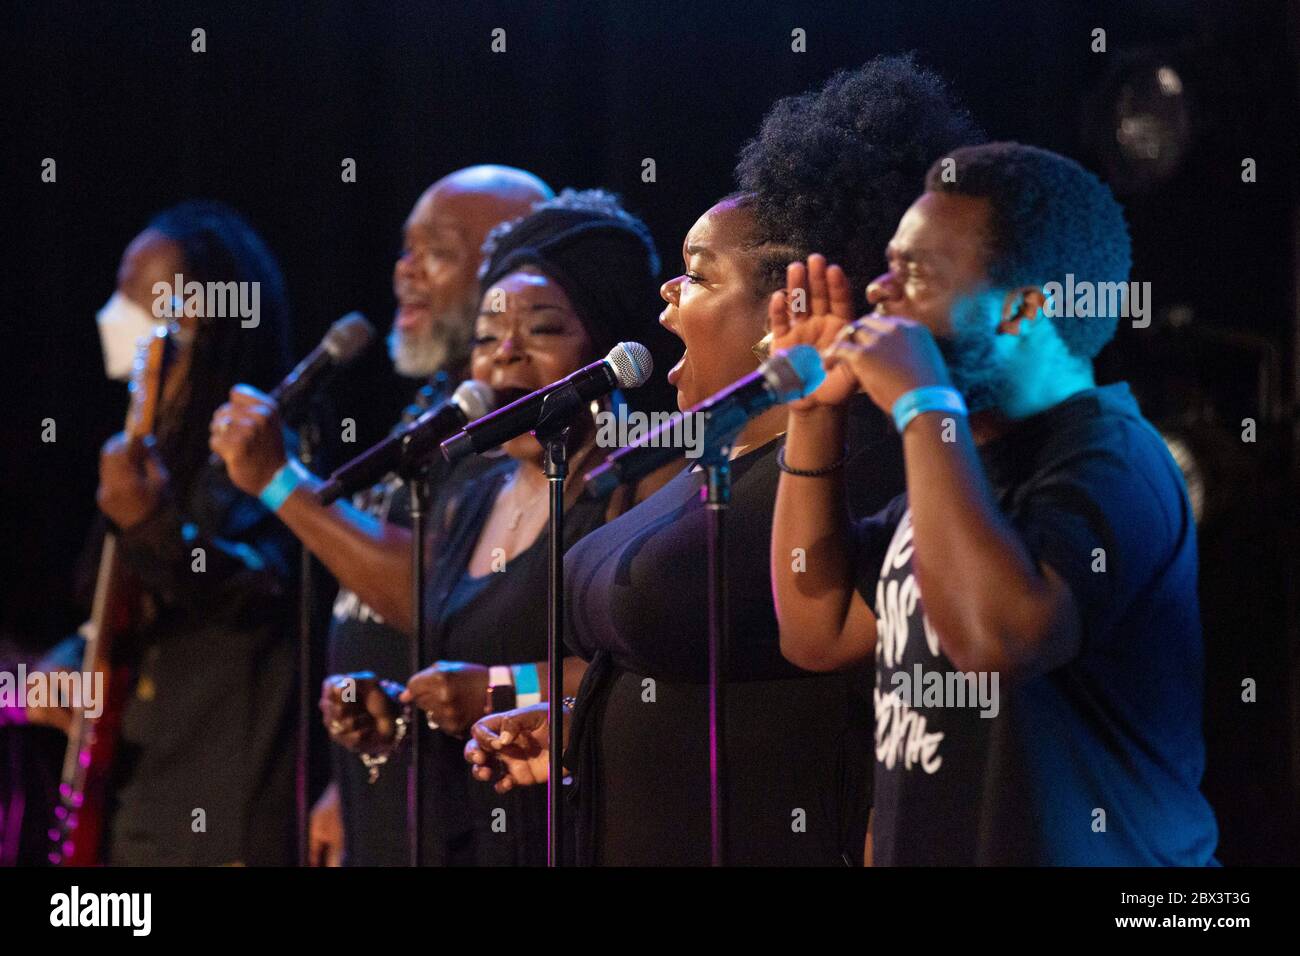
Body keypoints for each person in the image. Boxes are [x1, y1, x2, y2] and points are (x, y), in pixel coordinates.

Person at [464, 55, 983, 866]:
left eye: (698, 274)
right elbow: (672, 680)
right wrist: (576, 726)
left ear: (787, 313)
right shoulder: (707, 469)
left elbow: (811, 657)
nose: (667, 294)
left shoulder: (860, 470)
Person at [767, 142, 1219, 865]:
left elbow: (996, 641)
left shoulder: (1116, 459)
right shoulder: (960, 465)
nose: (880, 292)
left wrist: (922, 403)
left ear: (1023, 308)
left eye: (915, 273)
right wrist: (814, 417)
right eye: (890, 264)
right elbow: (817, 629)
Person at [221, 190, 674, 865]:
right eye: (488, 338)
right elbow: (456, 658)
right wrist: (399, 709)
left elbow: (655, 677)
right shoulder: (473, 494)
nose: (504, 357)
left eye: (543, 330)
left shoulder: (643, 484)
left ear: (609, 351)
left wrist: (495, 689)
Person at [25, 201, 299, 866]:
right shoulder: (150, 446)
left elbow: (250, 589)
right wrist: (66, 663)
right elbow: (122, 608)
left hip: (215, 816)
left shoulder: (263, 451)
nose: (114, 313)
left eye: (133, 292)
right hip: (134, 800)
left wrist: (150, 522)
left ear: (197, 317)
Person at [306, 165, 554, 867]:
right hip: (386, 791)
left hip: (478, 812)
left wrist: (274, 484)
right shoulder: (430, 411)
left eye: (437, 252)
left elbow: (424, 592)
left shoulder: (510, 433)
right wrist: (348, 780)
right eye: (406, 250)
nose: (405, 272)